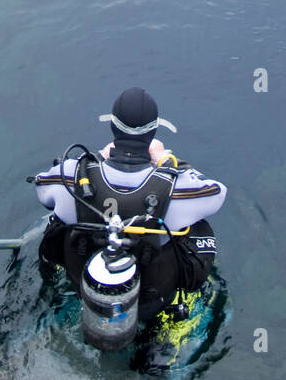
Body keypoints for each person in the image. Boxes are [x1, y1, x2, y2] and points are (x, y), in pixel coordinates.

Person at [34, 87, 226, 326]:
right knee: (197, 227)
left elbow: (41, 188)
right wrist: (165, 160)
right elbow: (218, 193)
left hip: (84, 288)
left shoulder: (71, 176)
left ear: (113, 127)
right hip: (152, 302)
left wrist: (97, 159)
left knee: (57, 221)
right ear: (154, 132)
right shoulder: (177, 189)